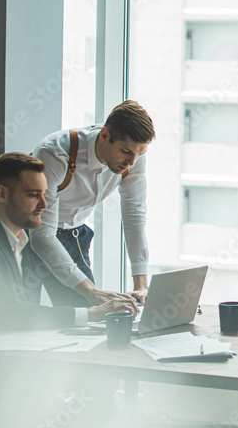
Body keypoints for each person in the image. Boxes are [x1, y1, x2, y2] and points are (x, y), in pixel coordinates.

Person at [0, 153, 137, 336]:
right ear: (1, 194)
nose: (44, 204)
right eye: (33, 195)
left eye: (44, 194)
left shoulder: (22, 243)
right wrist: (91, 314)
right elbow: (5, 313)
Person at [30, 100, 155, 307]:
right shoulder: (54, 155)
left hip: (73, 236)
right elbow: (42, 234)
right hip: (29, 236)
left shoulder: (133, 158)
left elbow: (134, 215)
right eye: (125, 151)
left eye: (139, 154)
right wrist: (91, 290)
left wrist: (141, 284)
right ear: (105, 136)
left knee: (91, 317)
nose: (131, 162)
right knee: (22, 322)